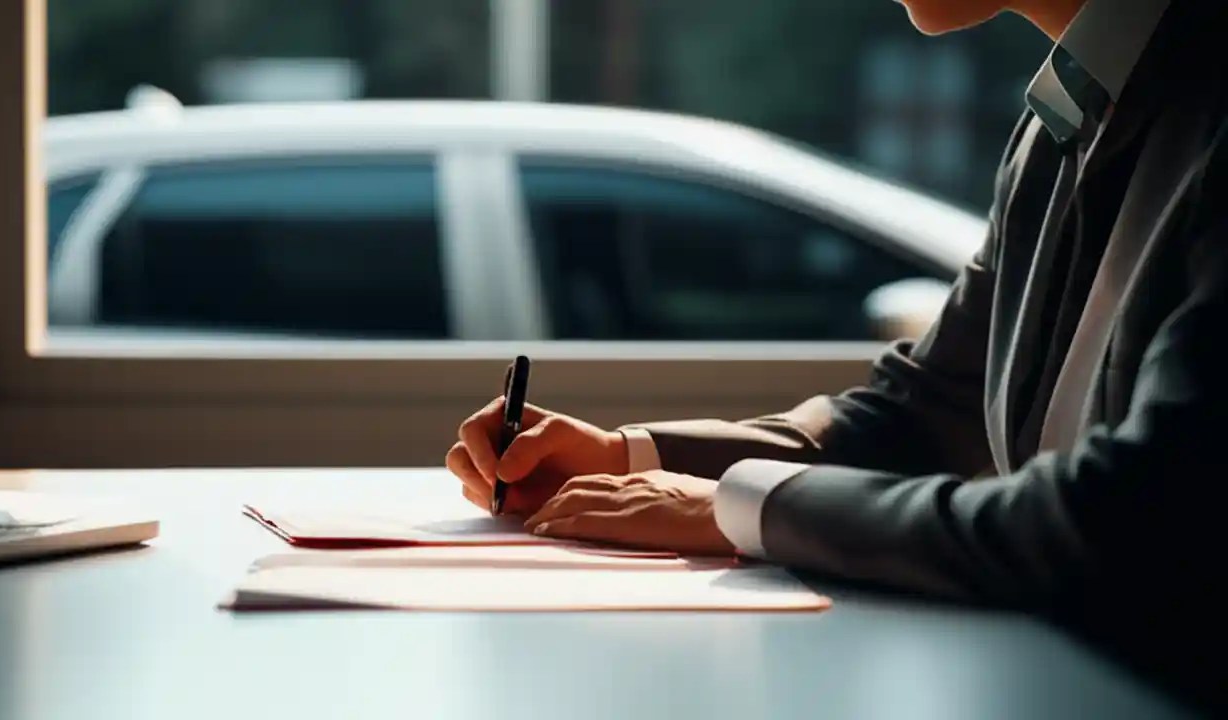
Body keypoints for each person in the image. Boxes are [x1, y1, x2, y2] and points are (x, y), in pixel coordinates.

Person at [447, 0, 1227, 646]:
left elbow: (1123, 517)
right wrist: (624, 458)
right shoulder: (1065, 110)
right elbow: (919, 412)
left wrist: (746, 511)